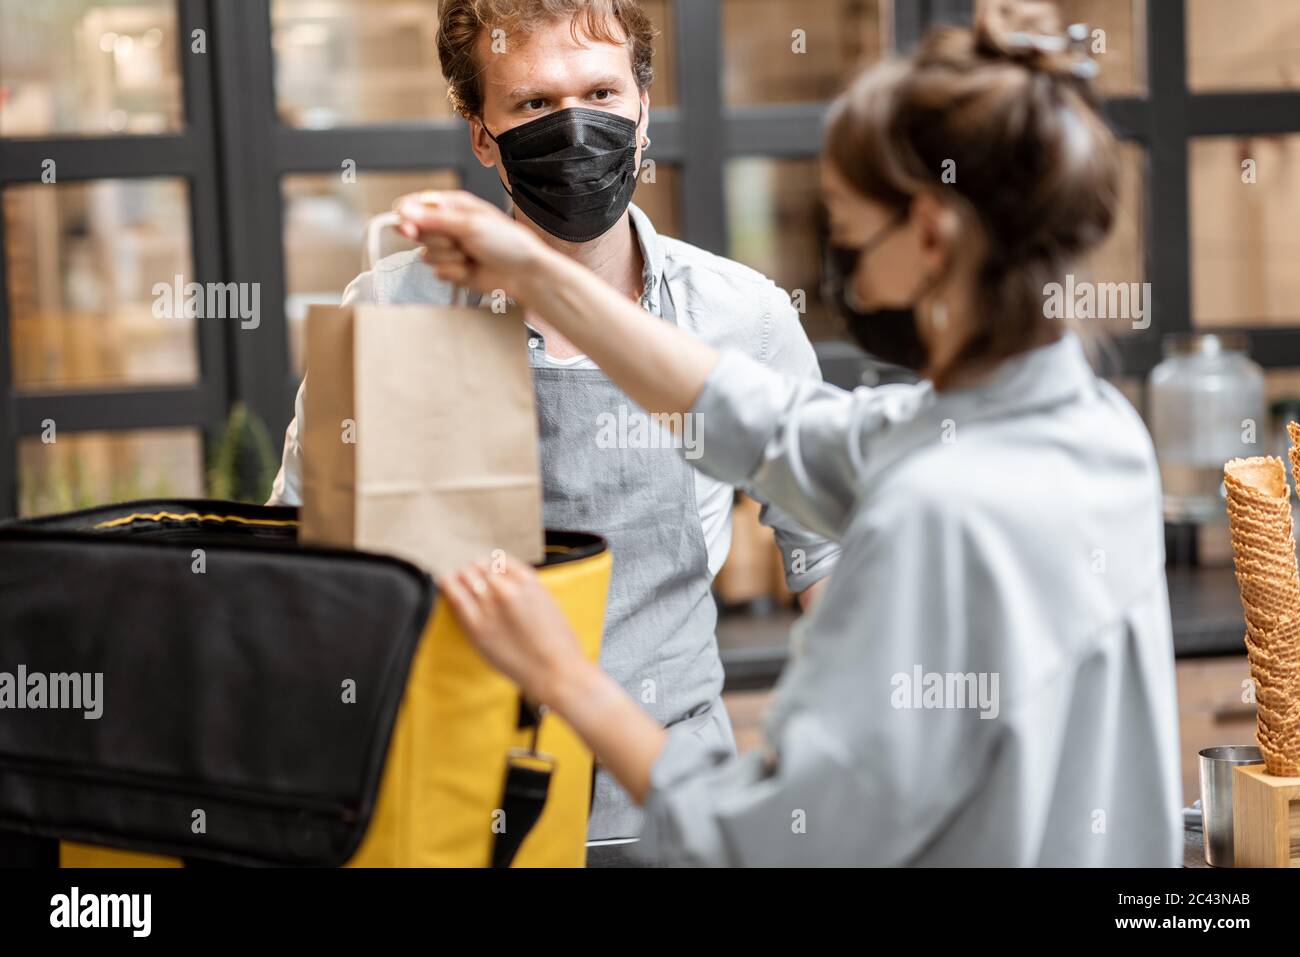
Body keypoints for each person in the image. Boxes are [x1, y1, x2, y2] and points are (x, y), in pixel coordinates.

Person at [408, 0, 1184, 866]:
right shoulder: (1096, 430)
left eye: (845, 231)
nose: (836, 261)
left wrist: (561, 677)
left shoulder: (935, 511)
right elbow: (776, 428)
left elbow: (767, 839)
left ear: (929, 235)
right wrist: (537, 277)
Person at [267, 0, 839, 855]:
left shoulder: (740, 315)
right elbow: (302, 555)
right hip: (456, 806)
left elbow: (828, 552)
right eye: (534, 104)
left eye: (602, 92)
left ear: (645, 109)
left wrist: (824, 767)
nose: (576, 129)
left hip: (670, 803)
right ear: (480, 133)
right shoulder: (394, 307)